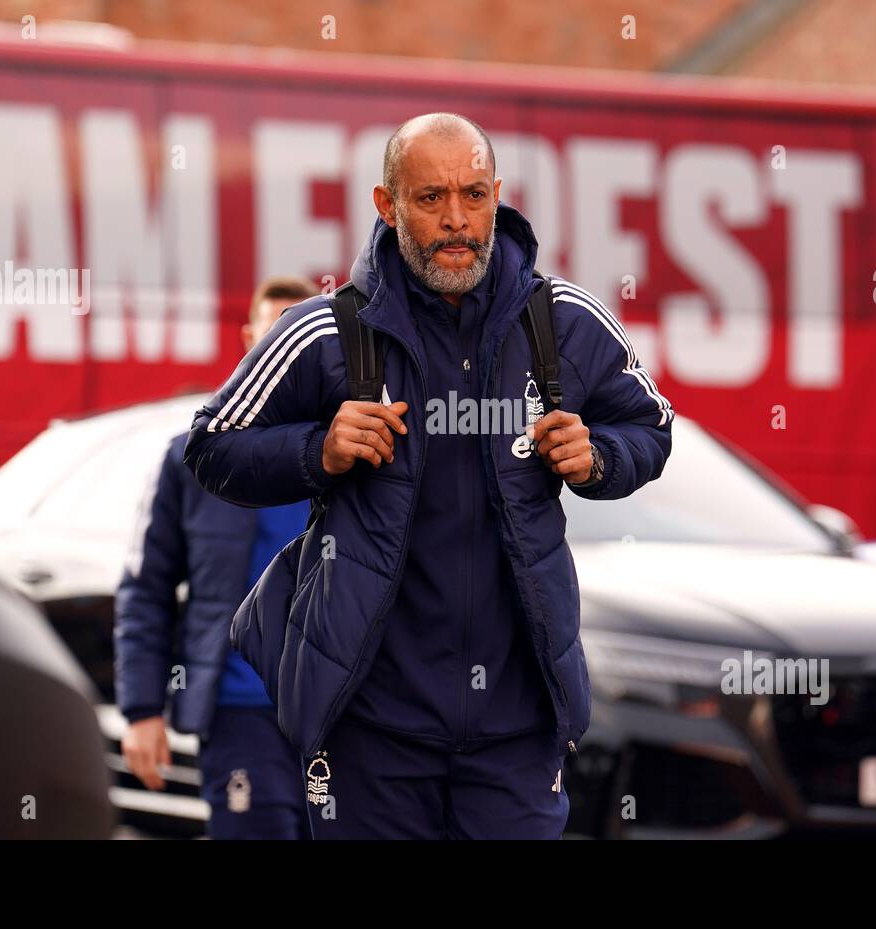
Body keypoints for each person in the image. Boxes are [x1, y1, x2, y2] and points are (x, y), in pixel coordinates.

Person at [184, 112, 673, 839]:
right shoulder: (326, 331)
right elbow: (212, 444)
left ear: (498, 196)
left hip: (517, 728)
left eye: (474, 196)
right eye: (430, 198)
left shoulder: (561, 321)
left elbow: (653, 426)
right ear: (387, 205)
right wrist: (317, 447)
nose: (456, 221)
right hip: (371, 725)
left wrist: (598, 457)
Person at [115, 276, 317, 839]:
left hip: (341, 713)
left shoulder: (354, 453)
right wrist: (141, 711)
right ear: (248, 337)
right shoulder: (193, 458)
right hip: (240, 711)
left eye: (298, 336)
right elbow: (146, 589)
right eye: (271, 333)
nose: (282, 348)